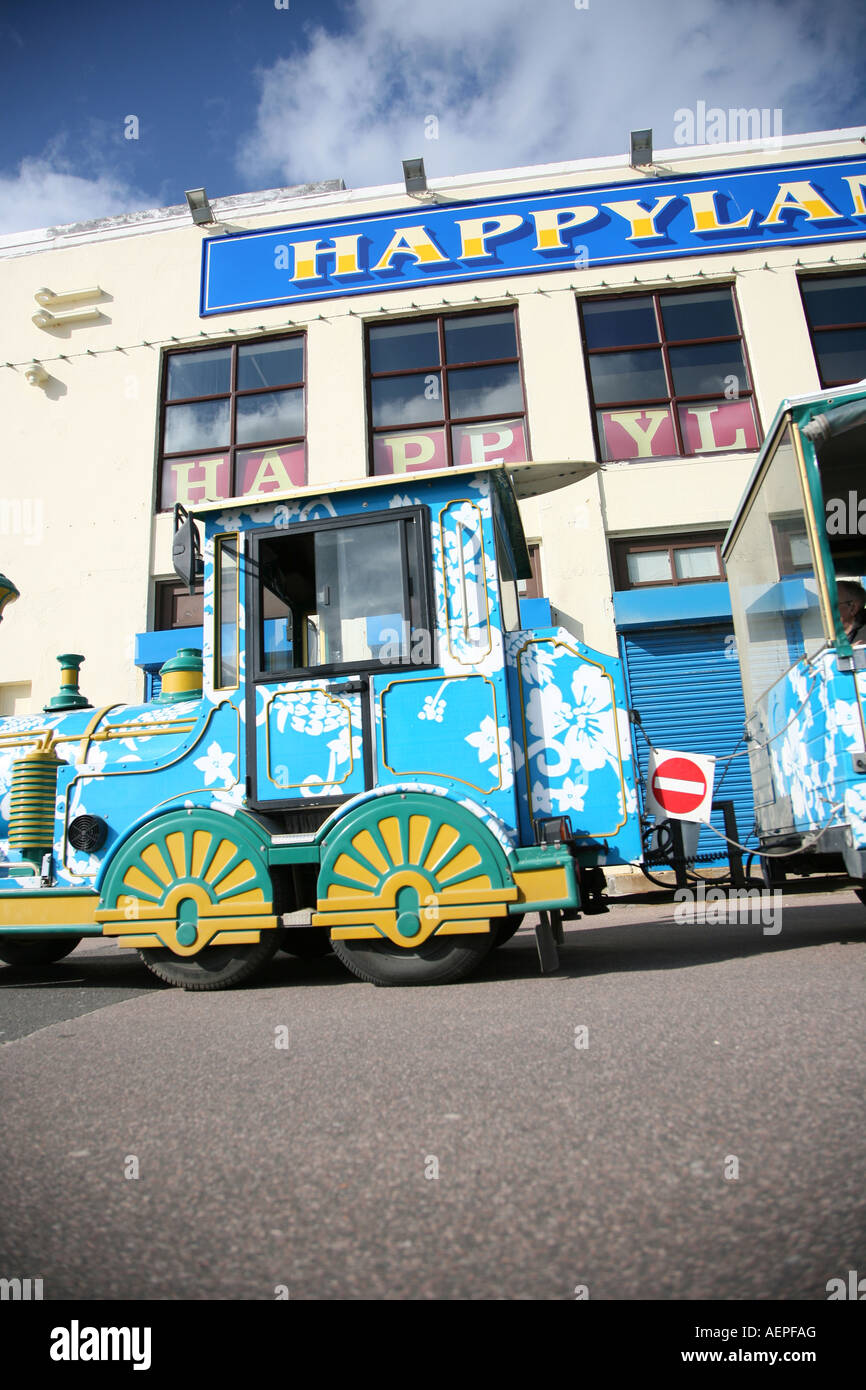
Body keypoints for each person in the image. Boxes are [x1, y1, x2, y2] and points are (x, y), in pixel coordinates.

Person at [836, 579, 866, 644]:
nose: (825, 612)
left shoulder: (863, 640)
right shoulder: (833, 640)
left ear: (853, 608)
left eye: (833, 604)